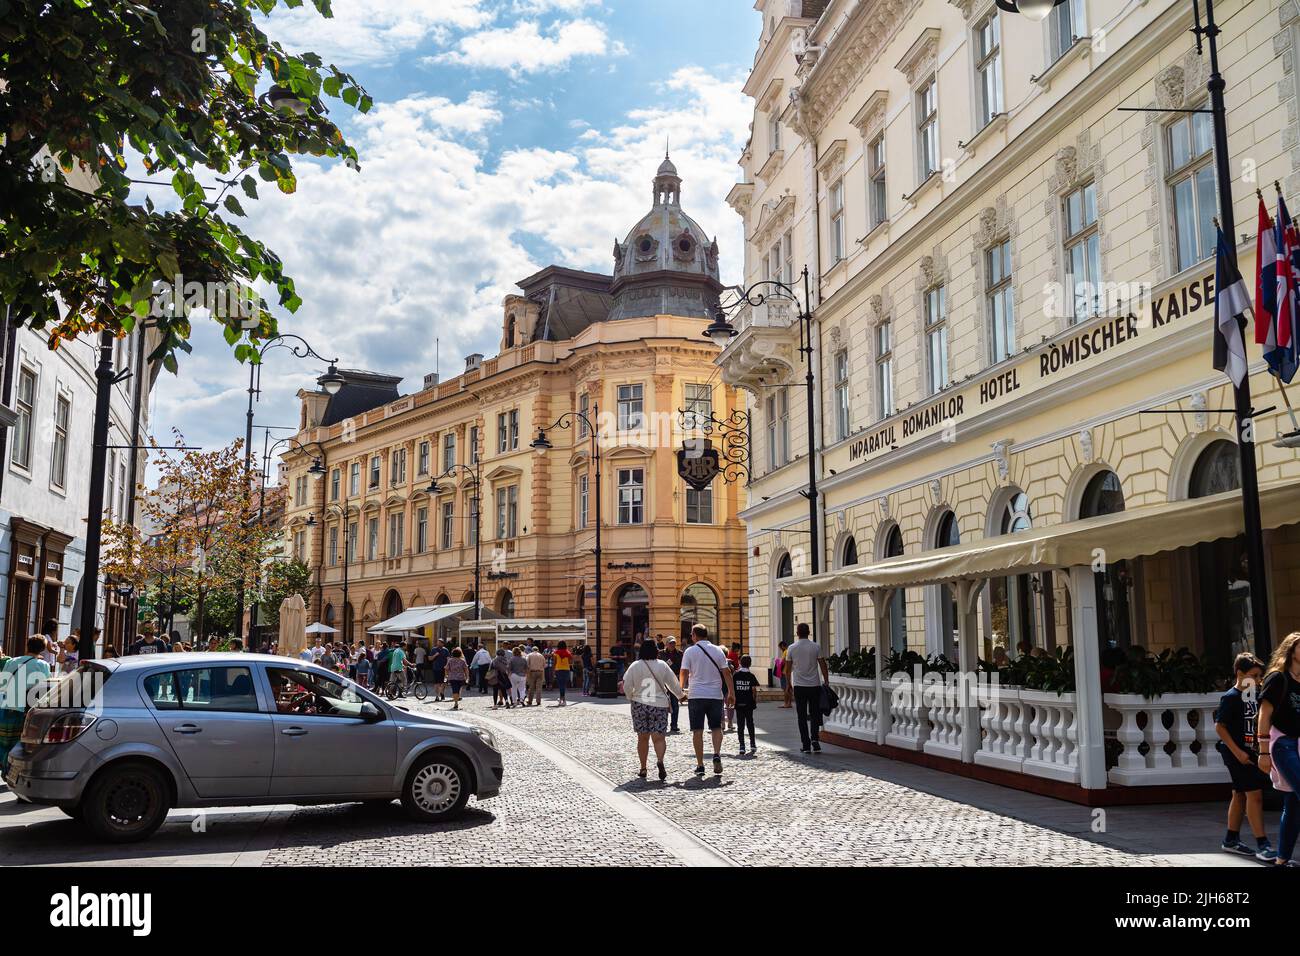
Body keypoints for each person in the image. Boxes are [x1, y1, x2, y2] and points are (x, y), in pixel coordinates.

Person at [1214, 652, 1276, 861]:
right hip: (1236, 754)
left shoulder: (1253, 696)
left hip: (1250, 753)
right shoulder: (1230, 697)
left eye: (1260, 676)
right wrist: (1237, 752)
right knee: (1254, 795)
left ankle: (1231, 840)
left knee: (1239, 794)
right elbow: (1220, 727)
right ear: (1240, 674)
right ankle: (1263, 843)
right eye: (1254, 675)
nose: (1258, 680)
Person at [1258, 631, 1300, 867]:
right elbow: (1264, 714)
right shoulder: (1278, 678)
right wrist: (1264, 752)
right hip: (1283, 744)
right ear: (1291, 650)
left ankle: (1282, 860)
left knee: (1293, 805)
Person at [624, 638, 685, 781]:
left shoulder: (635, 666)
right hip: (659, 705)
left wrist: (630, 696)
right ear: (656, 651)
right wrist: (681, 696)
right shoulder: (662, 665)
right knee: (659, 737)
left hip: (639, 703)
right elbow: (672, 683)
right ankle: (660, 761)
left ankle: (643, 768)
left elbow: (627, 684)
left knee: (642, 737)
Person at [679, 624, 734, 777]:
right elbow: (727, 673)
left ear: (695, 635)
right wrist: (731, 693)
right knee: (716, 728)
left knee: (697, 731)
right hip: (715, 695)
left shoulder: (690, 651)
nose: (691, 637)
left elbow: (683, 672)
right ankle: (716, 754)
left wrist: (680, 691)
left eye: (691, 635)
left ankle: (700, 764)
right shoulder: (718, 650)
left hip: (696, 695)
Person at [0, 638, 53, 769]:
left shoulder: (12, 661)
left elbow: (3, 684)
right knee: (19, 742)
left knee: (3, 741)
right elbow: (46, 688)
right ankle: (10, 769)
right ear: (42, 649)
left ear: (27, 645)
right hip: (26, 709)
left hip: (7, 705)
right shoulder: (43, 665)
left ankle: (4, 765)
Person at [787, 622, 829, 754]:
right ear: (809, 632)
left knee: (801, 716)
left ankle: (805, 744)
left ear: (797, 633)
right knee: (815, 713)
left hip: (799, 686)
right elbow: (823, 665)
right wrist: (826, 680)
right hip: (814, 685)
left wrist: (788, 684)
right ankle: (815, 740)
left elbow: (787, 669)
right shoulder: (816, 647)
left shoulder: (792, 648)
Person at [733, 655, 761, 755]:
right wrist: (755, 699)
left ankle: (742, 746)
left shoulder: (736, 675)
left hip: (739, 703)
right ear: (750, 664)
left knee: (740, 725)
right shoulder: (751, 676)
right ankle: (752, 744)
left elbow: (732, 689)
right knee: (750, 723)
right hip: (749, 703)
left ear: (740, 663)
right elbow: (754, 690)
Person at [662, 638, 683, 734]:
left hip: (675, 681)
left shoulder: (680, 653)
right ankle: (663, 724)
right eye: (671, 643)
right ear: (666, 644)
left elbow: (683, 667)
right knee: (663, 703)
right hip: (663, 681)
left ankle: (674, 725)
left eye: (674, 643)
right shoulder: (661, 653)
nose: (672, 645)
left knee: (675, 704)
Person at [552, 640, 573, 706]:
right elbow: (571, 661)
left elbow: (554, 662)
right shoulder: (568, 653)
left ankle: (562, 698)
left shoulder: (556, 653)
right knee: (563, 685)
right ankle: (562, 698)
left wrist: (553, 670)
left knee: (560, 684)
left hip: (558, 670)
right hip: (566, 669)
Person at [776, 640, 792, 708]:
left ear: (782, 646)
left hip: (784, 672)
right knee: (789, 688)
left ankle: (786, 703)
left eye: (780, 647)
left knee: (785, 688)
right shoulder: (788, 651)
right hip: (788, 672)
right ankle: (789, 703)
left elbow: (783, 662)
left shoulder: (785, 652)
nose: (780, 649)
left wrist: (778, 661)